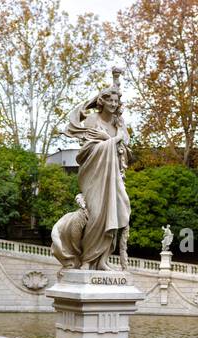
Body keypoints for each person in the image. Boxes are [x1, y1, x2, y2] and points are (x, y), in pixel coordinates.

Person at [64, 70, 130, 271]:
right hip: (95, 175)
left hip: (113, 177)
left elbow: (125, 143)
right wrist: (111, 141)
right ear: (102, 101)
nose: (113, 104)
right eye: (110, 101)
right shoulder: (93, 120)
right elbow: (87, 150)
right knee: (95, 214)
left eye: (116, 102)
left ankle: (102, 260)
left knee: (113, 214)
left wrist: (111, 140)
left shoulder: (118, 123)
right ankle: (86, 260)